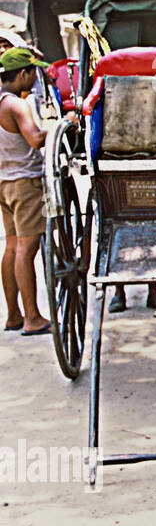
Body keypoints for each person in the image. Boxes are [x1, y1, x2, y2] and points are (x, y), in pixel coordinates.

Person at [0, 47, 53, 334]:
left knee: (11, 248)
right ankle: (32, 318)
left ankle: (13, 315)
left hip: (4, 182)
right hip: (25, 183)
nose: (35, 78)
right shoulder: (16, 106)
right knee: (26, 248)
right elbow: (34, 139)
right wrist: (60, 127)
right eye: (33, 73)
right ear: (22, 74)